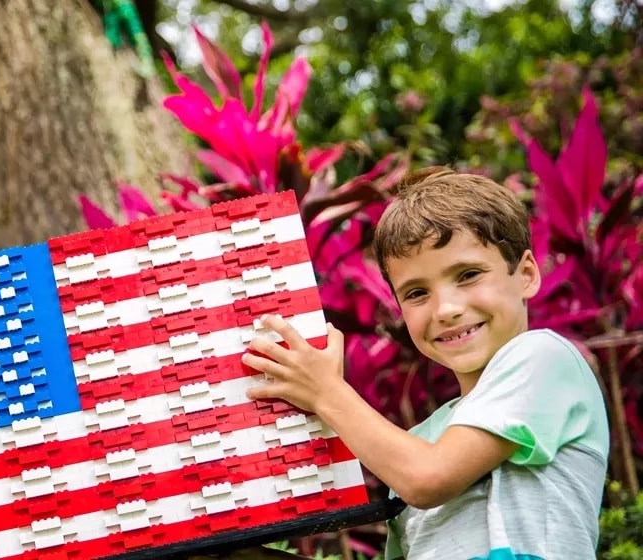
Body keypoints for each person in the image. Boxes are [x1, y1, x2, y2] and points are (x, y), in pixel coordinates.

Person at [242, 169, 609, 560]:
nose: (446, 309)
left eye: (468, 275)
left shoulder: (543, 357)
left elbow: (429, 478)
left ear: (526, 275)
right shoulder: (419, 442)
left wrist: (326, 392)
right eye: (417, 293)